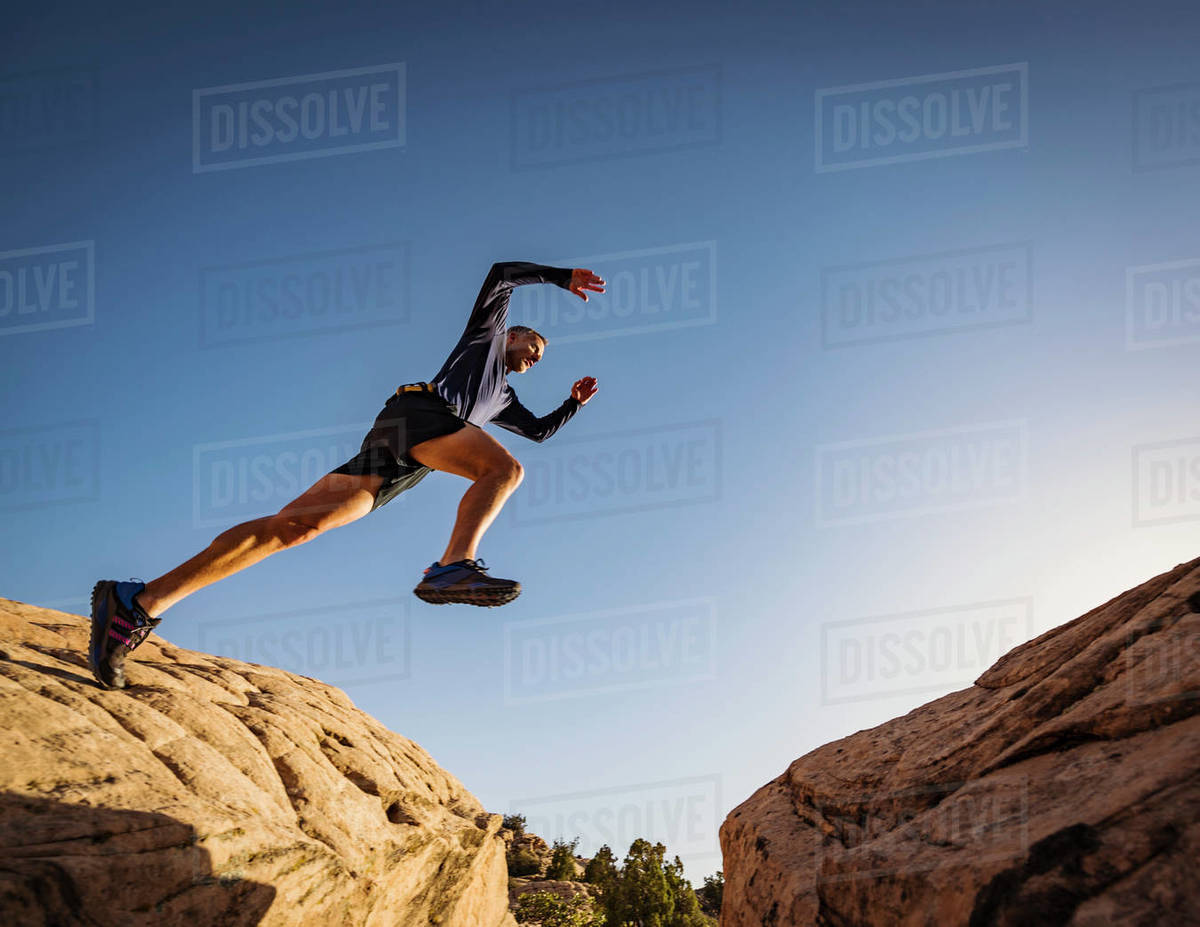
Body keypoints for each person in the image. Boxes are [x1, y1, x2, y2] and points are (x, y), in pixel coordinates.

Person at [88, 261, 605, 689]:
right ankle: (453, 565)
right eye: (530, 350)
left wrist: (573, 404)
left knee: (293, 528)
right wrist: (560, 277)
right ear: (511, 335)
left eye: (537, 361)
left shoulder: (503, 399)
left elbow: (537, 431)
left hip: (406, 458)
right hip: (422, 418)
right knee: (504, 469)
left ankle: (137, 602)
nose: (531, 361)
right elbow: (501, 275)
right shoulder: (485, 339)